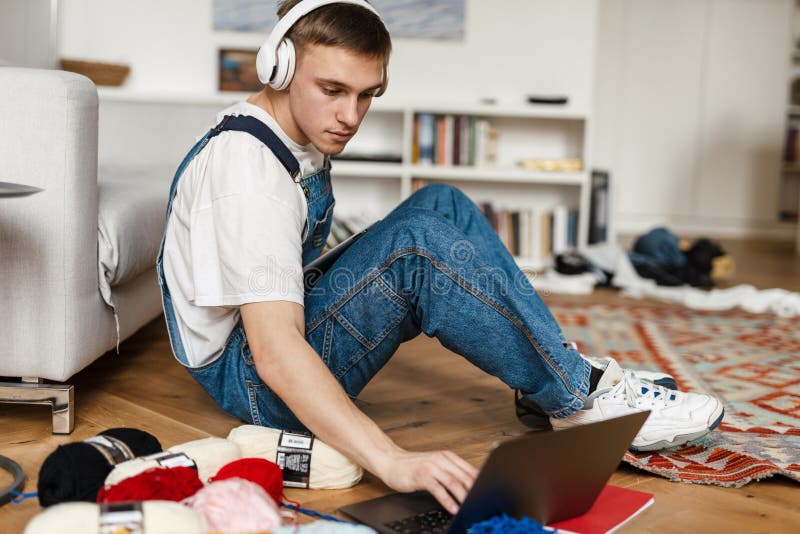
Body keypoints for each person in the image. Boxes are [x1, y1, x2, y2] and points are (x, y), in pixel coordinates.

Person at [157, 0, 724, 515]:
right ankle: (577, 397)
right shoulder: (249, 178)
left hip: (264, 347)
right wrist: (391, 461)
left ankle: (555, 381)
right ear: (279, 69)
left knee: (441, 205)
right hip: (256, 385)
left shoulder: (287, 133)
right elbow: (276, 355)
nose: (350, 115)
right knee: (418, 247)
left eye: (366, 95)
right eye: (332, 90)